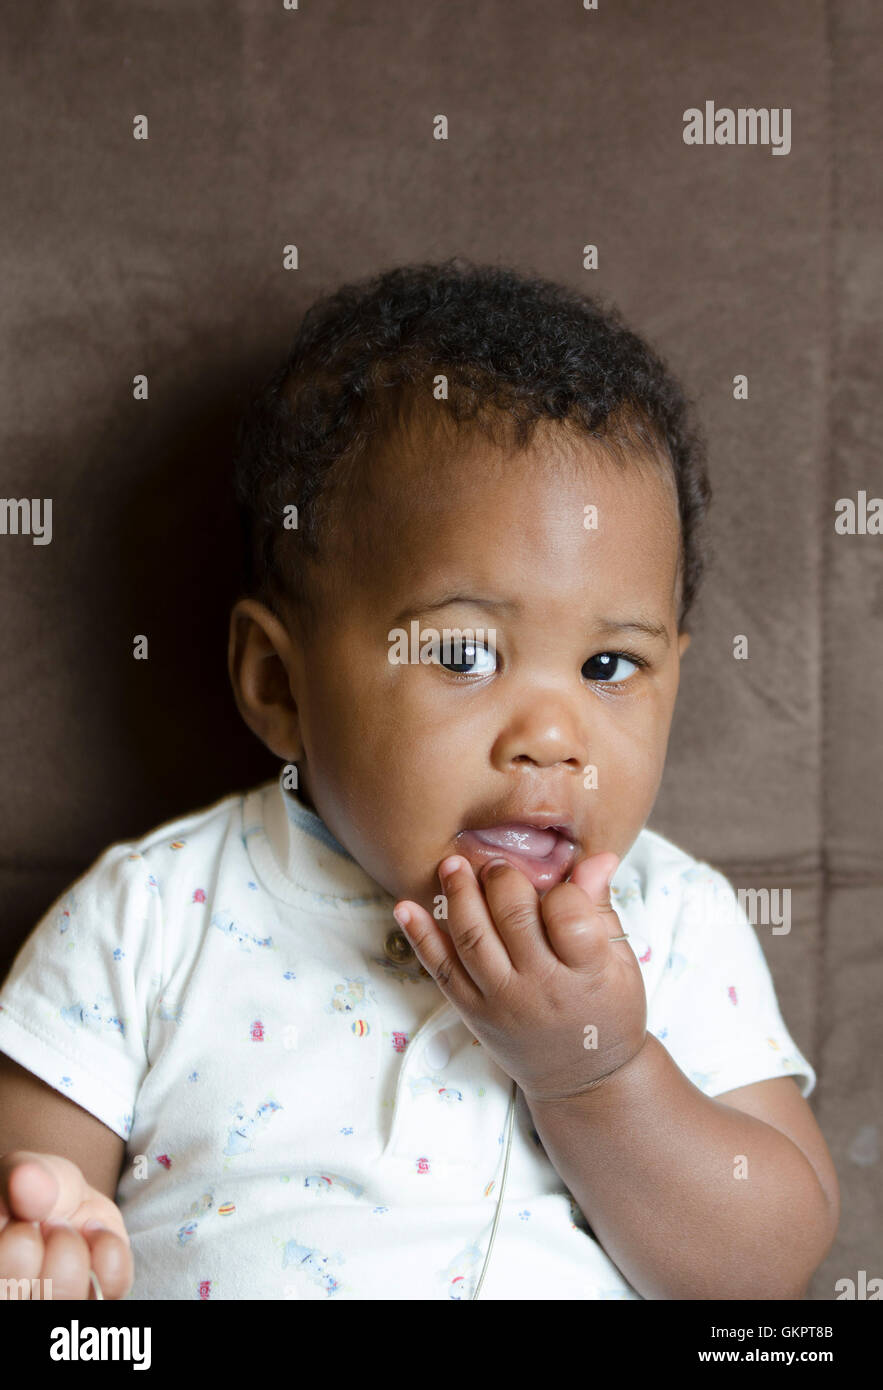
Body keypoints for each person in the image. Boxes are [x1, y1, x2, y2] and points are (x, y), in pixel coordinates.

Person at [0, 258, 839, 1300]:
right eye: (462, 655)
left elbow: (765, 1268)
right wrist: (49, 1251)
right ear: (279, 684)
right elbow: (32, 1192)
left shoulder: (674, 923)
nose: (549, 735)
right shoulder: (153, 916)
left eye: (608, 666)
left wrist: (599, 1071)